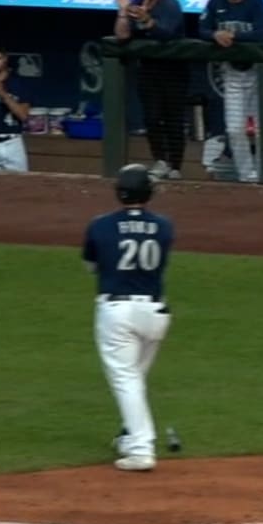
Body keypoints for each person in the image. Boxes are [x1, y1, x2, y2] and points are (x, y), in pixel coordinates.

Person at [85, 164, 175, 473]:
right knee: (135, 378)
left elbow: (92, 266)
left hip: (118, 313)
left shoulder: (99, 226)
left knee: (127, 380)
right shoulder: (165, 227)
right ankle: (128, 436)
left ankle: (140, 448)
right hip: (155, 314)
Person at [198, 0, 263, 183]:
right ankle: (247, 175)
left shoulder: (256, 1)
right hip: (232, 73)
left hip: (258, 73)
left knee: (261, 128)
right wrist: (214, 35)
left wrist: (233, 36)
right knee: (235, 129)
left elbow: (262, 34)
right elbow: (201, 29)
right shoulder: (216, 1)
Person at [114, 0, 186, 181]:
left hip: (174, 70)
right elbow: (122, 36)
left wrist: (148, 20)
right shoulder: (136, 3)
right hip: (149, 70)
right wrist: (123, 12)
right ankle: (161, 161)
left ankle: (176, 166)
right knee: (152, 118)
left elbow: (168, 33)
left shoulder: (170, 4)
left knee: (173, 119)